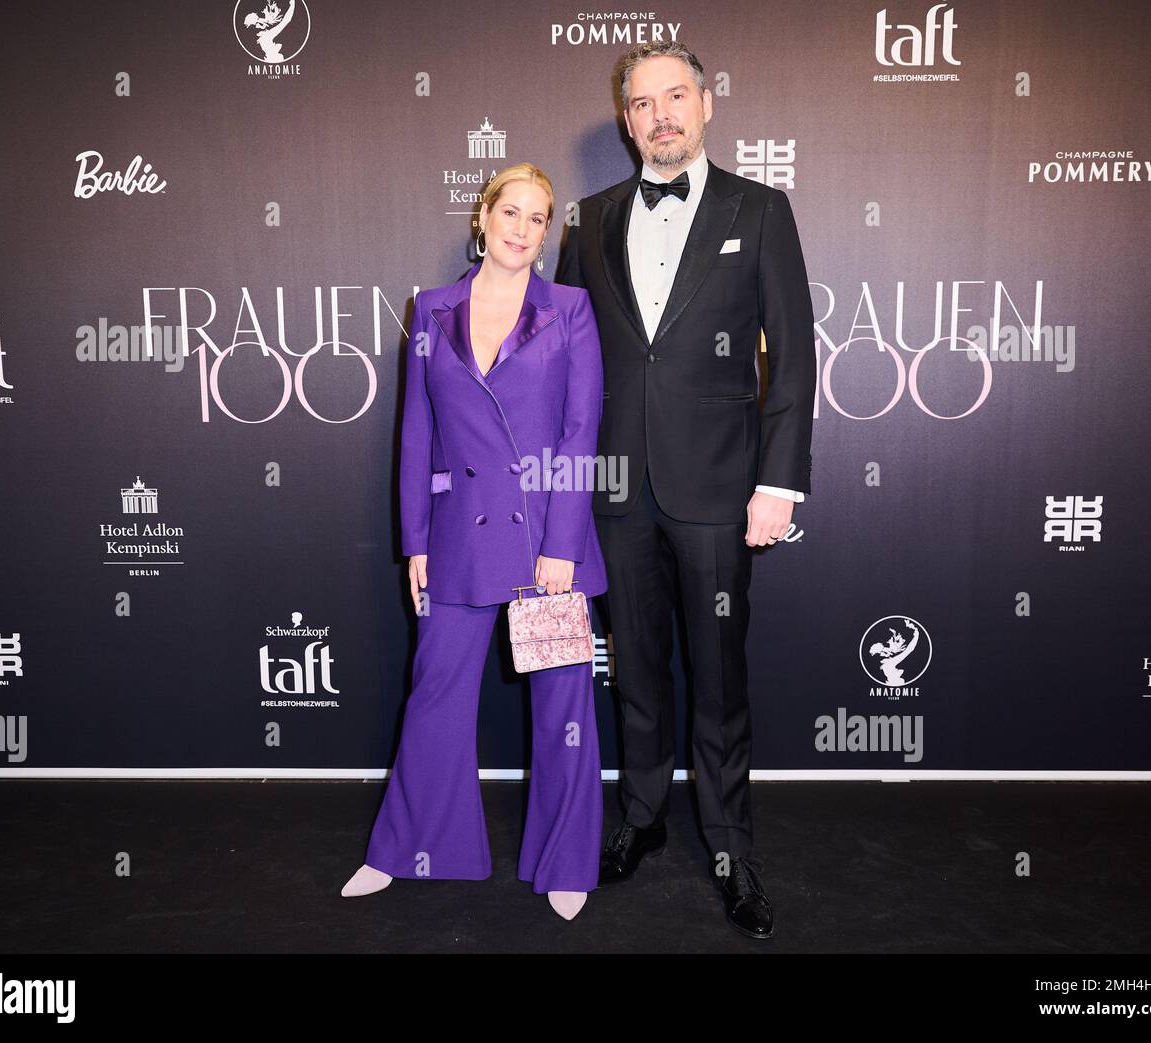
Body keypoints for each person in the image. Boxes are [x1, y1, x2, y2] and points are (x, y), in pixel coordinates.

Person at [556, 41, 816, 939]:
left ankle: (731, 845)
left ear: (706, 106)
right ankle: (640, 817)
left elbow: (791, 357)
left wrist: (779, 481)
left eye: (675, 96)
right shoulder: (586, 220)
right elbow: (566, 361)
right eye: (642, 102)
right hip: (615, 485)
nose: (660, 113)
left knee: (717, 676)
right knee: (635, 671)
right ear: (626, 119)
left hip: (718, 488)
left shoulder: (760, 207)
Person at [342, 163, 608, 921]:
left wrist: (561, 544)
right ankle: (404, 848)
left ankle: (566, 862)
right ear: (482, 216)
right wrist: (417, 540)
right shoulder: (431, 310)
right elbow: (417, 431)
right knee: (434, 694)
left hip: (545, 540)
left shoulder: (571, 310)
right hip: (458, 537)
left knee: (563, 704)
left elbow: (580, 431)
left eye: (539, 217)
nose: (523, 229)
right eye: (511, 212)